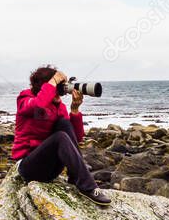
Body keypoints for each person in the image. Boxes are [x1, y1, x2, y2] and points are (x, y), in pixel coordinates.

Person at [12, 65, 111, 205]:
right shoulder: (25, 98)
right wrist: (52, 83)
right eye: (58, 85)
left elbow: (75, 139)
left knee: (64, 124)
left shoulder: (59, 107)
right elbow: (38, 106)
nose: (61, 89)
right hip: (28, 167)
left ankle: (74, 176)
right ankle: (89, 187)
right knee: (60, 137)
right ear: (46, 86)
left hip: (50, 169)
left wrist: (75, 111)